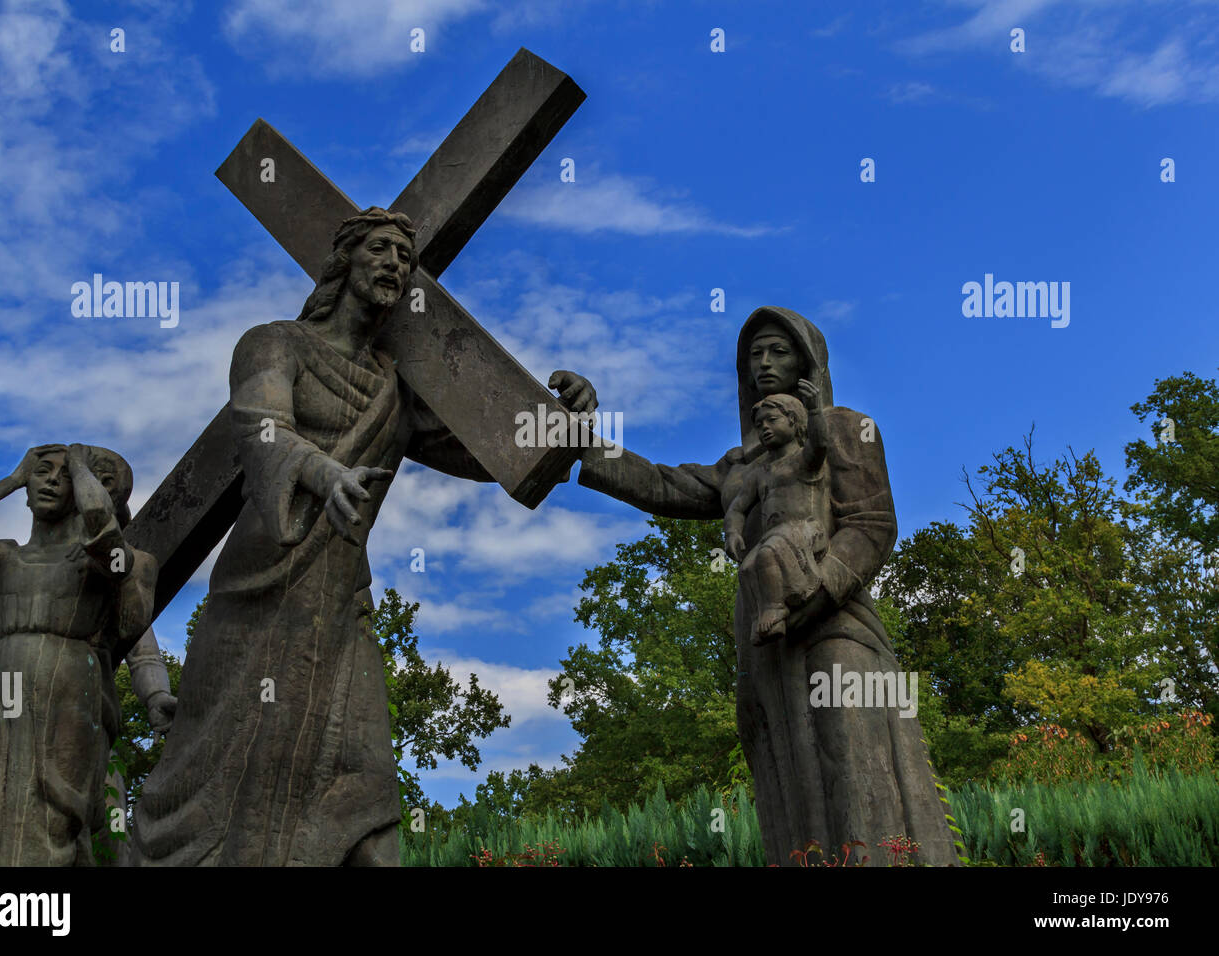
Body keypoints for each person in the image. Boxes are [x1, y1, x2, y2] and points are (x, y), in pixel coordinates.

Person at [131, 207, 595, 866]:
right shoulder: (274, 343)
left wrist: (561, 421)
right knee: (219, 774)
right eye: (379, 249)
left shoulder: (392, 389)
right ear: (344, 259)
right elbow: (263, 429)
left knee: (364, 776)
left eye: (404, 259)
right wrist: (322, 472)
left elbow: (489, 454)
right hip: (260, 592)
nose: (394, 265)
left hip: (341, 603)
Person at [576, 307, 957, 866]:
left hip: (836, 624)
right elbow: (662, 484)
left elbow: (872, 524)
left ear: (807, 362)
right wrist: (577, 437)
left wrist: (815, 592)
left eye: (779, 351)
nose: (765, 363)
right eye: (755, 354)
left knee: (850, 755)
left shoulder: (843, 430)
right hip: (766, 643)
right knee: (783, 773)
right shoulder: (742, 467)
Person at [0, 443, 156, 865]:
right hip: (3, 690)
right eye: (42, 471)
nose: (50, 480)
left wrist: (82, 470)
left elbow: (103, 536)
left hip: (69, 689)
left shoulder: (114, 562)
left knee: (57, 813)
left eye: (64, 473)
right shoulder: (7, 556)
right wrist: (15, 478)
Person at [724, 384, 830, 644]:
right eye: (759, 425)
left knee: (767, 553)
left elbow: (820, 444)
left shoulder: (803, 460)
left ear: (794, 422)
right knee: (747, 568)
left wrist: (815, 409)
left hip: (808, 530)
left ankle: (775, 609)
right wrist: (732, 532)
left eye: (772, 420)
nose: (764, 428)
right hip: (778, 536)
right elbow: (737, 507)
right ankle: (766, 618)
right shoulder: (759, 473)